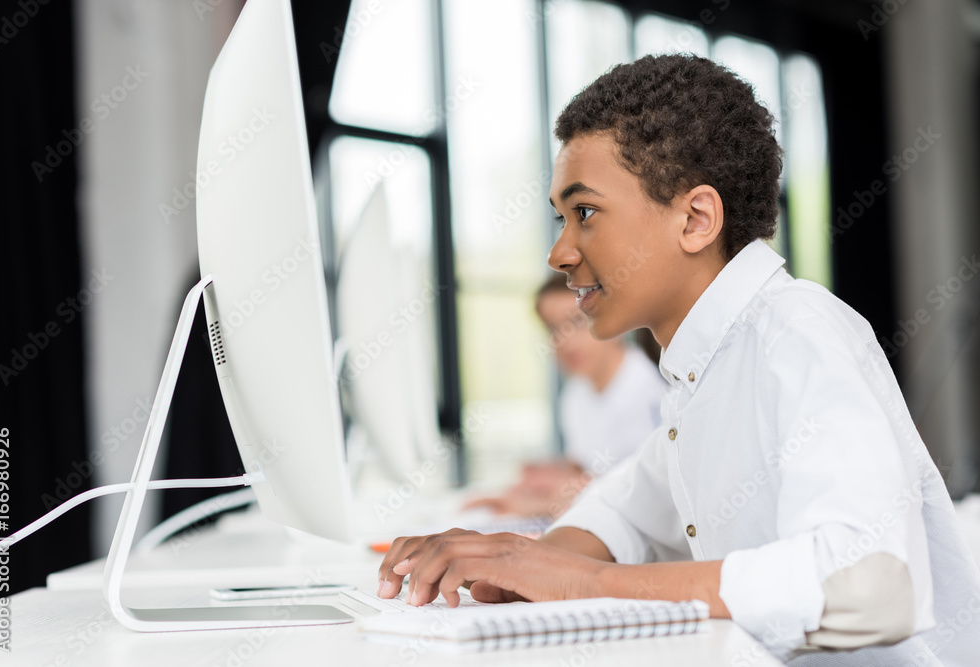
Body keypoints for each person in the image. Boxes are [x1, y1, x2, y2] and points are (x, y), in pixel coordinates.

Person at [376, 55, 980, 664]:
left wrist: (581, 582)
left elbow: (870, 586)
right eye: (561, 219)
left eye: (584, 213)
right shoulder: (700, 373)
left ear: (695, 220)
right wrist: (515, 567)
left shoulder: (795, 331)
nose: (560, 252)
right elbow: (628, 516)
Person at [464, 272, 667, 518]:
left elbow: (645, 493)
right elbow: (585, 468)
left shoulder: (653, 395)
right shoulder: (576, 395)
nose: (565, 341)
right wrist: (546, 476)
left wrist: (541, 504)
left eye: (577, 322)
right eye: (553, 328)